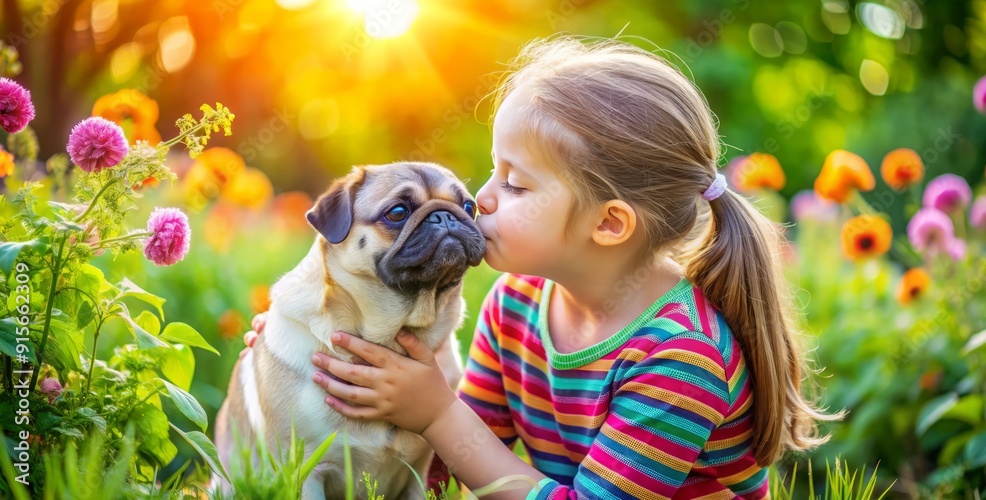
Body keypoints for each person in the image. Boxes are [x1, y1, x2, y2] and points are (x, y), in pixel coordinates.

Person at [242, 36, 841, 499]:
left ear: (608, 224)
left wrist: (435, 412)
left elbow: (461, 433)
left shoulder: (681, 359)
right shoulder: (516, 302)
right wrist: (292, 371)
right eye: (492, 171)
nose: (483, 199)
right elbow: (468, 457)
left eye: (516, 183)